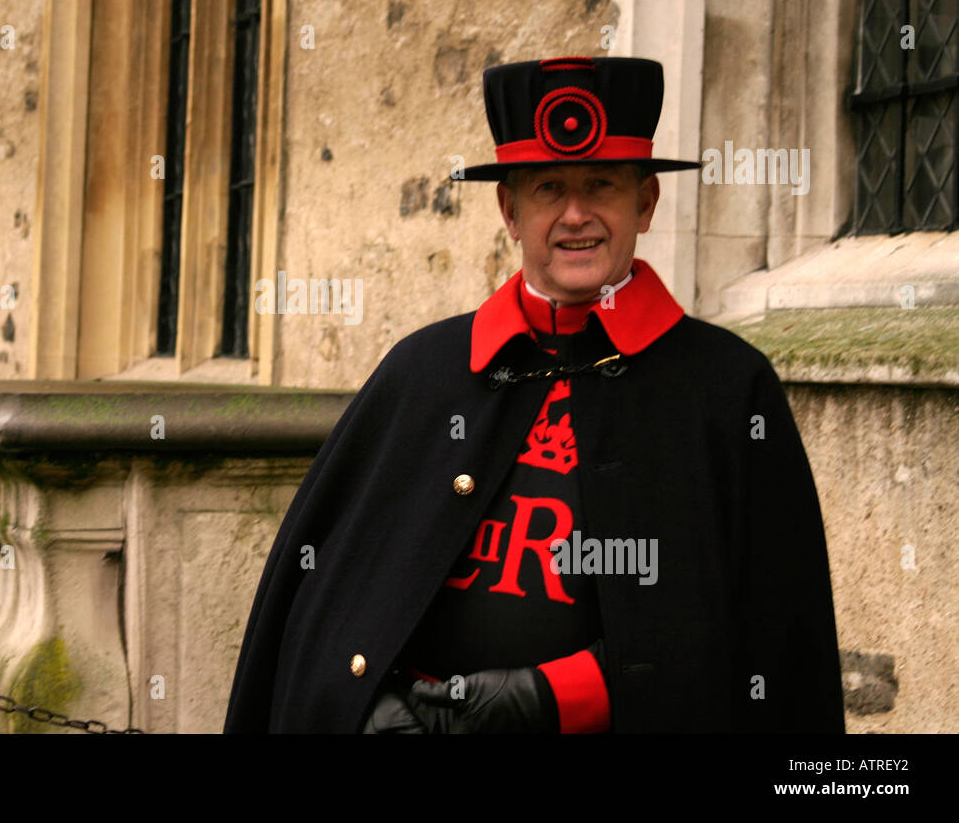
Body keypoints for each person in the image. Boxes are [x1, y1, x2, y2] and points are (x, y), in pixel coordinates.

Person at [223, 56, 845, 733]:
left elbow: (768, 641)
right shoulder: (422, 373)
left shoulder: (727, 391)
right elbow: (326, 603)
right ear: (510, 210)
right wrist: (372, 702)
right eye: (549, 188)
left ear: (645, 202)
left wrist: (554, 698)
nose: (576, 215)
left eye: (601, 185)